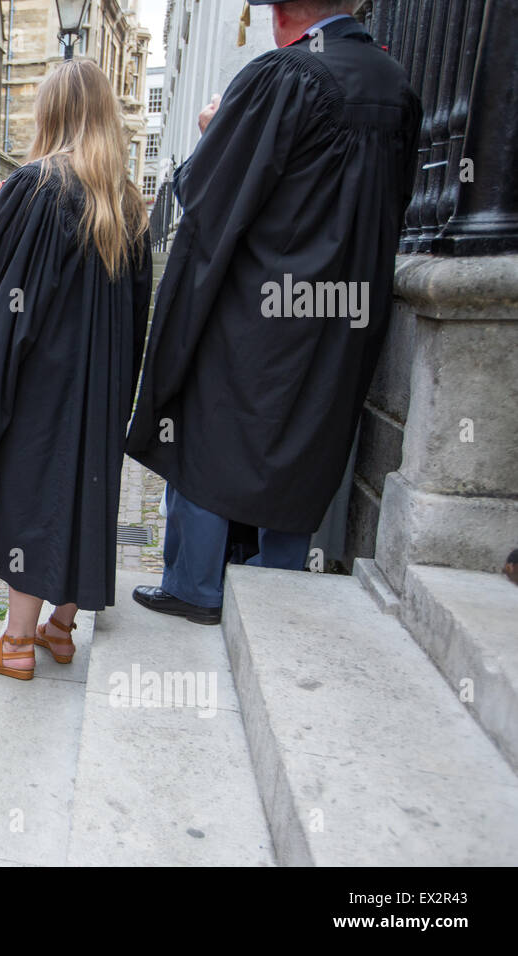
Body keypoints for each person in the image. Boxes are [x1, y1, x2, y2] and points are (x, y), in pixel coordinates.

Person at [125, 0, 421, 624]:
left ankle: (195, 585)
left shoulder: (283, 75)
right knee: (307, 430)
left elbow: (207, 193)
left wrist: (213, 129)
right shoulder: (396, 85)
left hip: (258, 312)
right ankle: (280, 581)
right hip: (345, 314)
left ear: (280, 13)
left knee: (208, 425)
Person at [0, 59, 152, 679]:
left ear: (52, 113)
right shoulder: (127, 202)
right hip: (100, 386)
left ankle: (16, 643)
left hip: (40, 386)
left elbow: (1, 306)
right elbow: (137, 315)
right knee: (84, 491)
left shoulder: (38, 186)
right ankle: (62, 625)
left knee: (32, 493)